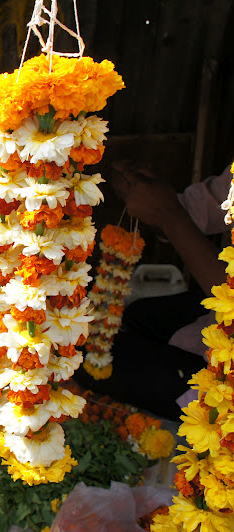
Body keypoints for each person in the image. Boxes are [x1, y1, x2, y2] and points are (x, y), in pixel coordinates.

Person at [74, 159, 234, 419]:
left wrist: (169, 214)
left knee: (86, 357)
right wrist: (147, 196)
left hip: (226, 387)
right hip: (216, 321)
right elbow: (213, 202)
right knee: (137, 315)